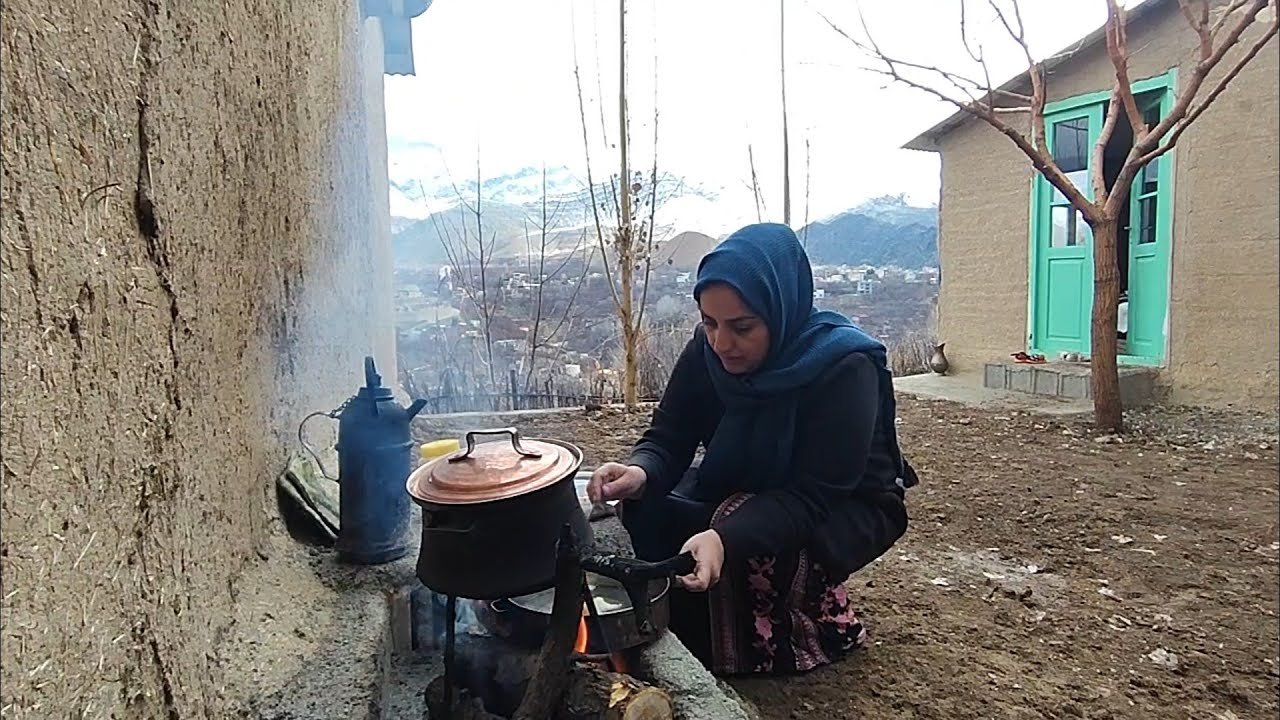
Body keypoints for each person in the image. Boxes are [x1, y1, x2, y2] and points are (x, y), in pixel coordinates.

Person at [587, 223, 915, 676]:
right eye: (709, 322)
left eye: (742, 327)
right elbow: (670, 435)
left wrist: (725, 538)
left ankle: (766, 642)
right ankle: (681, 630)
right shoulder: (709, 348)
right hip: (757, 480)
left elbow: (812, 497)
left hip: (840, 506)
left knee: (737, 538)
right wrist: (640, 472)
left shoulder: (844, 368)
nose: (722, 343)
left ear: (781, 311)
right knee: (650, 507)